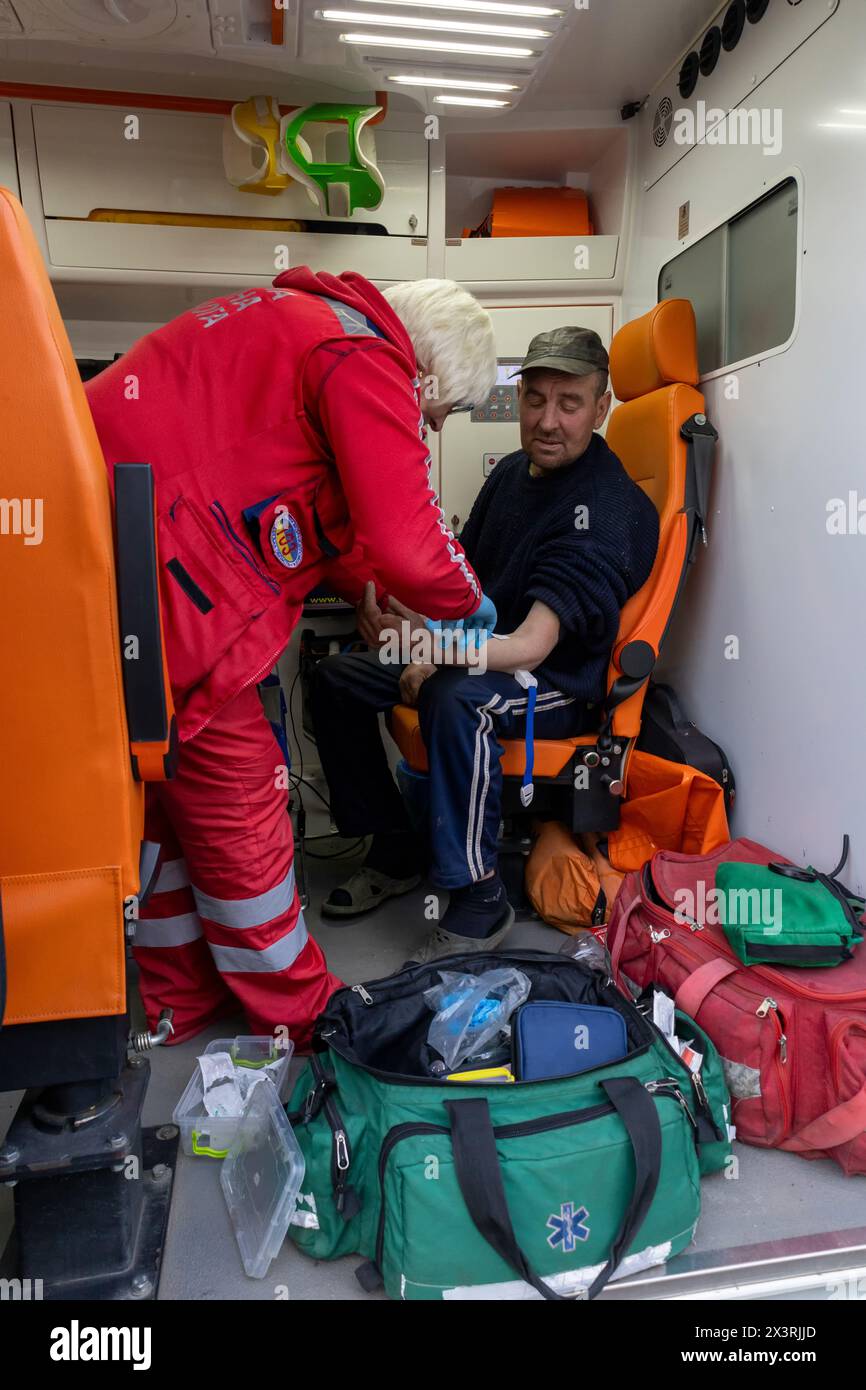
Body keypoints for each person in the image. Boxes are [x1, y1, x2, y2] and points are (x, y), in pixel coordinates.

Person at [86, 271, 498, 1048]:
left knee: (167, 800)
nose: (436, 427)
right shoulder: (364, 354)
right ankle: (304, 1015)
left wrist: (367, 581)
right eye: (442, 408)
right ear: (427, 371)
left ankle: (180, 1001)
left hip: (106, 571)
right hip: (156, 589)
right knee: (240, 801)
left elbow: (311, 494)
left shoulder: (298, 322)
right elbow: (414, 547)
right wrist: (470, 602)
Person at [312, 326, 660, 963]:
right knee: (337, 680)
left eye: (570, 402)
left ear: (601, 407)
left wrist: (432, 653)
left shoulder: (608, 509)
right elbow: (462, 588)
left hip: (557, 682)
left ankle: (479, 897)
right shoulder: (511, 478)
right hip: (479, 649)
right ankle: (394, 846)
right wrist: (405, 622)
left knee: (454, 695)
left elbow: (530, 646)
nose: (547, 421)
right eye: (535, 399)